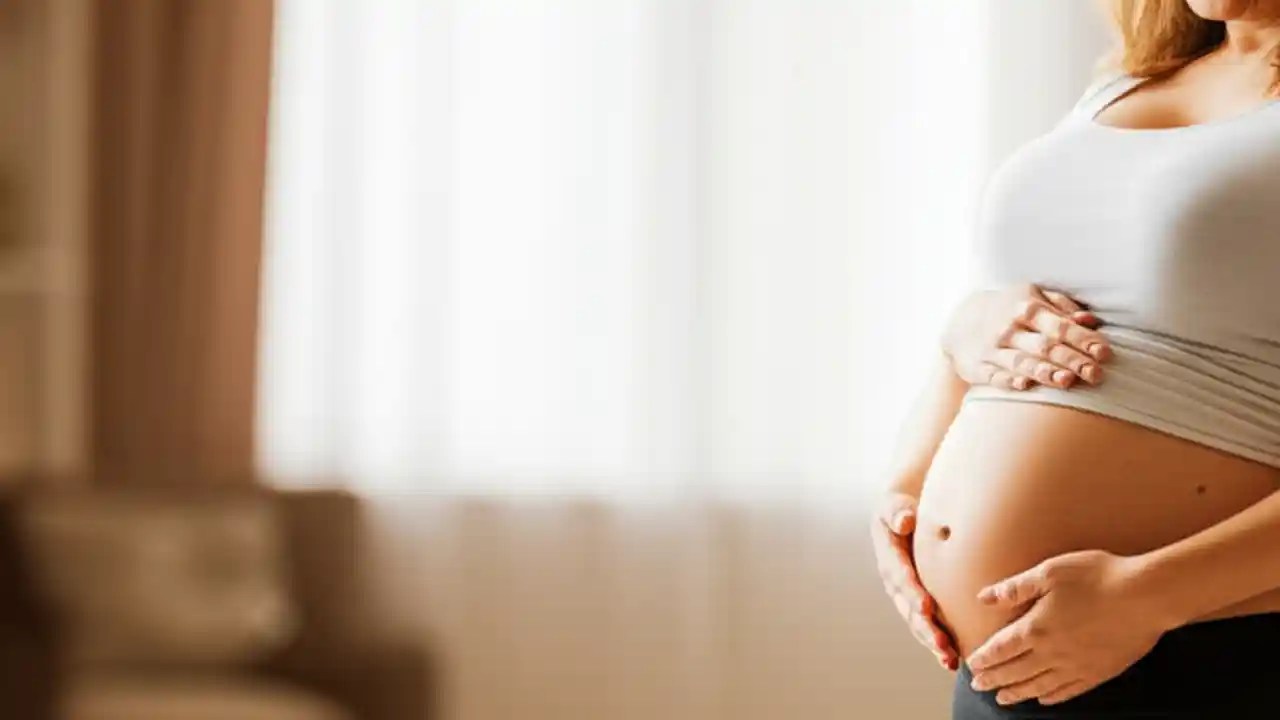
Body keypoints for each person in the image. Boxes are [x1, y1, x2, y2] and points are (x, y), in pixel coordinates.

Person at [870, 1, 1280, 717]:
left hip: (1207, 647)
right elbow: (995, 329)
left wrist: (1151, 594)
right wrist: (907, 488)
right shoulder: (1128, 82)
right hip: (1020, 672)